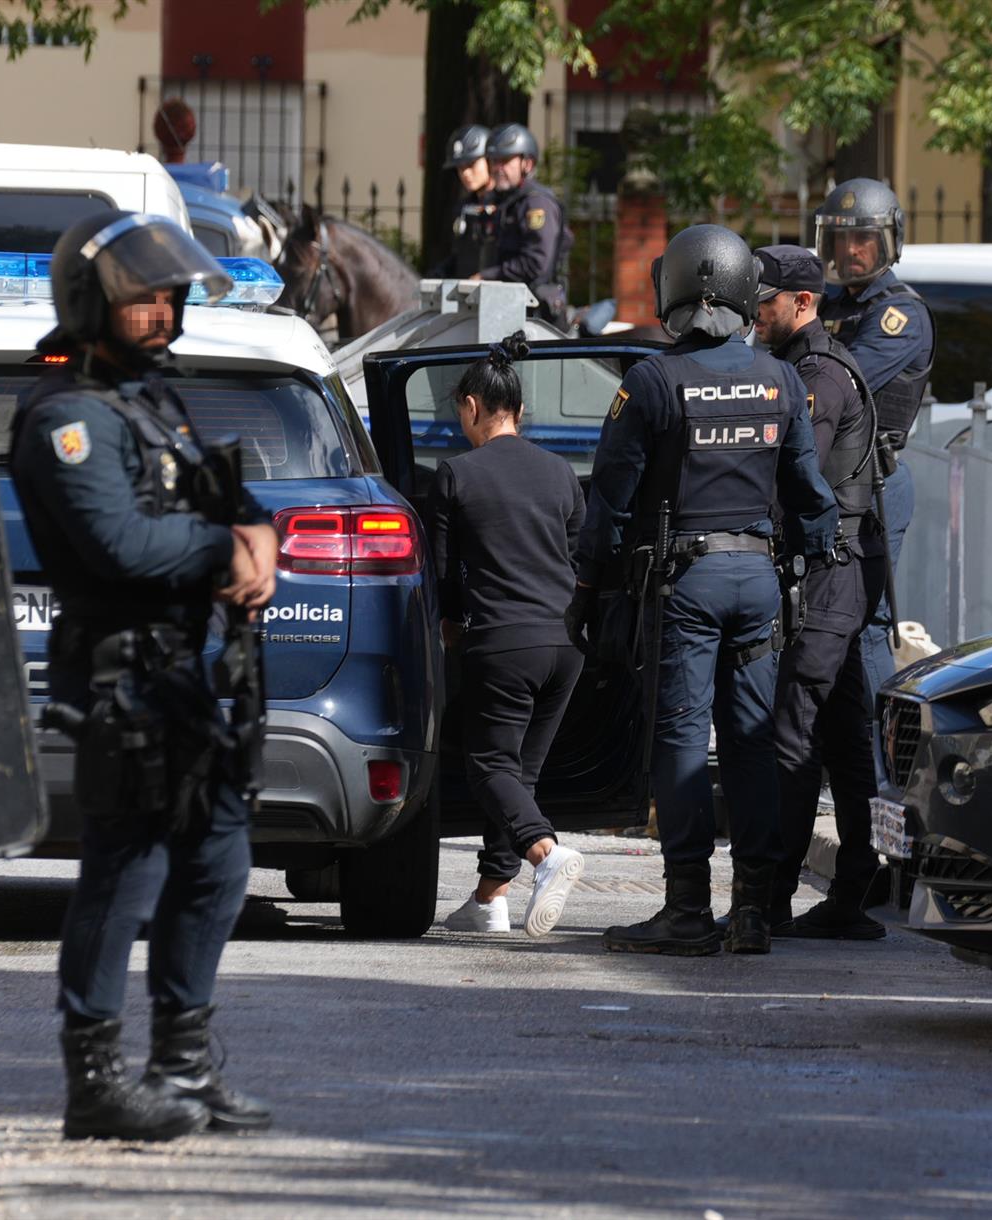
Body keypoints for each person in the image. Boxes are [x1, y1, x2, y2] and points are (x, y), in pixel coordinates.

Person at [10, 210, 281, 1142]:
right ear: (93, 301)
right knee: (125, 874)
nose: (163, 308)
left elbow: (235, 503)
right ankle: (94, 1083)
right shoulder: (67, 416)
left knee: (219, 864)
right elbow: (119, 544)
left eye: (170, 294)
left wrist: (262, 542)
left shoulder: (154, 399)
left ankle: (183, 1067)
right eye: (143, 295)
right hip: (123, 677)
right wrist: (224, 548)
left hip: (198, 682)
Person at [568, 224, 838, 957]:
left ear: (675, 290)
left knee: (683, 742)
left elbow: (611, 504)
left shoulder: (651, 382)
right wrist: (813, 567)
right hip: (759, 582)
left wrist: (589, 583)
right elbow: (811, 496)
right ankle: (752, 910)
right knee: (750, 747)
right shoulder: (781, 378)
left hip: (685, 585)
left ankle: (687, 908)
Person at [751, 245, 892, 940]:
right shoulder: (803, 365)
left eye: (765, 303)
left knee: (795, 729)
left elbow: (795, 472)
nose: (755, 315)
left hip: (832, 571)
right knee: (840, 733)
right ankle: (856, 892)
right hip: (839, 570)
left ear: (802, 304)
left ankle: (772, 897)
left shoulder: (818, 375)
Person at [430, 332, 590, 937]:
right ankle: (489, 899)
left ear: (471, 408)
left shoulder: (455, 475)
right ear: (519, 414)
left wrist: (449, 627)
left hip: (502, 641)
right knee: (518, 775)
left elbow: (446, 571)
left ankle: (547, 857)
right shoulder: (561, 474)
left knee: (488, 766)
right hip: (564, 645)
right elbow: (578, 558)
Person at [813, 178, 932, 741]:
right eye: (841, 240)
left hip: (877, 484)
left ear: (887, 242)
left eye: (863, 238)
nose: (851, 250)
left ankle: (878, 752)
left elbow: (837, 381)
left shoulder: (899, 316)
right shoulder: (831, 303)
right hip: (832, 480)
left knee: (866, 622)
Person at [475, 123, 574, 328]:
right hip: (507, 308)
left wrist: (487, 276)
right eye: (494, 161)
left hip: (536, 316)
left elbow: (537, 263)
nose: (497, 168)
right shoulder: (506, 201)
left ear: (526, 164)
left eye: (505, 161)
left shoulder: (536, 203)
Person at [429, 124, 497, 280]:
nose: (466, 173)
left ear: (490, 161)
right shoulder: (464, 207)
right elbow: (461, 256)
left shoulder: (508, 206)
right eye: (460, 168)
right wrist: (440, 272)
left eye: (471, 164)